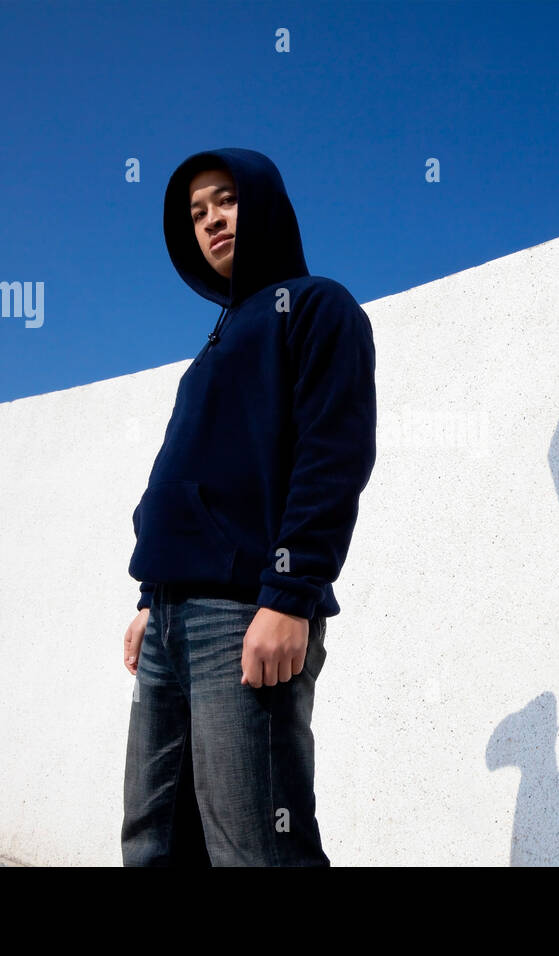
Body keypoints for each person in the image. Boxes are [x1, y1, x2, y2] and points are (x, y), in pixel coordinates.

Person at [120, 147, 378, 866]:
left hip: (245, 613)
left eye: (224, 200)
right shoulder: (209, 350)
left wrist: (291, 597)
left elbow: (334, 455)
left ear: (262, 201)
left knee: (257, 845)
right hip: (170, 618)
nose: (210, 221)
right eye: (196, 213)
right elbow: (179, 476)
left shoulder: (320, 308)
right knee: (153, 839)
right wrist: (151, 598)